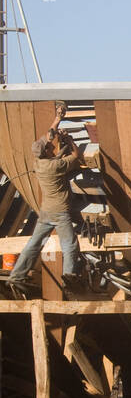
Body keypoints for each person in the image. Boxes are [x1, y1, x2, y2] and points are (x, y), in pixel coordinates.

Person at [6, 102, 85, 294]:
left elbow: (49, 140)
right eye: (49, 147)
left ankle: (16, 276)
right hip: (60, 212)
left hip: (46, 211)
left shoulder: (39, 163)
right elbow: (76, 155)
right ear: (48, 152)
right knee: (70, 244)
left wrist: (57, 119)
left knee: (34, 243)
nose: (51, 145)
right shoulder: (55, 166)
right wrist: (69, 141)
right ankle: (69, 276)